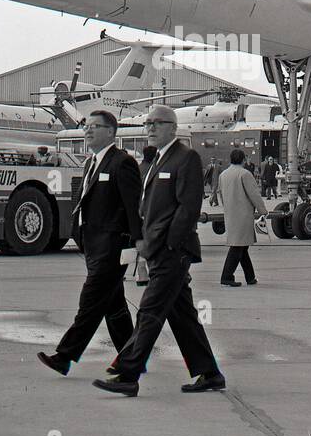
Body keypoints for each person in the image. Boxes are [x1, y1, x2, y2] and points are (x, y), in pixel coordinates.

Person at [93, 105, 225, 397]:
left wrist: (169, 243)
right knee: (183, 316)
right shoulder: (157, 161)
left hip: (172, 251)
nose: (150, 128)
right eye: (148, 123)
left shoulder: (186, 158)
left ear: (173, 128)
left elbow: (188, 207)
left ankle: (128, 373)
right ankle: (210, 372)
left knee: (149, 311)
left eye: (157, 123)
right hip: (159, 249)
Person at [38, 110, 140, 375]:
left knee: (91, 301)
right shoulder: (90, 163)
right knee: (113, 304)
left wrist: (137, 242)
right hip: (92, 244)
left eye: (95, 127)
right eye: (87, 127)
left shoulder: (122, 162)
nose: (88, 131)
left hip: (113, 246)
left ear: (110, 132)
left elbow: (133, 207)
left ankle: (65, 356)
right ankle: (133, 357)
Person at [218, 147, 266, 287]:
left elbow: (221, 194)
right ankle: (226, 276)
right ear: (243, 160)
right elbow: (254, 194)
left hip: (230, 213)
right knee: (237, 247)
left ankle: (250, 277)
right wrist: (262, 210)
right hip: (243, 215)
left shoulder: (224, 174)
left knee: (242, 246)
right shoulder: (245, 174)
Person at [133, 144, 158, 287]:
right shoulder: (154, 170)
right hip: (150, 211)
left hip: (138, 210)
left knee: (141, 243)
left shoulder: (137, 169)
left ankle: (141, 274)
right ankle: (150, 271)